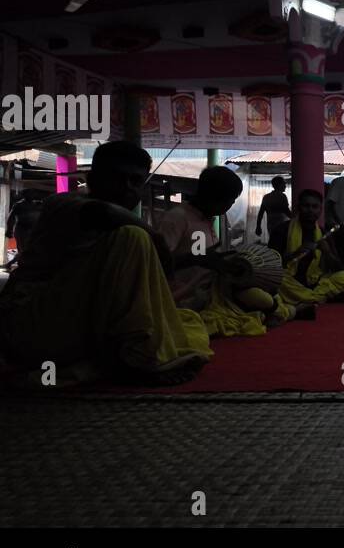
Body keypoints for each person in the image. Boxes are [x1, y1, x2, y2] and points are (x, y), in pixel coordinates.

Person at [0, 141, 212, 386]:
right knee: (133, 237)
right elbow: (104, 214)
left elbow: (154, 275)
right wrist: (155, 238)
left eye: (135, 181)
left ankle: (111, 355)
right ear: (92, 179)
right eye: (116, 178)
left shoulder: (123, 229)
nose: (127, 188)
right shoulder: (65, 204)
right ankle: (135, 357)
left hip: (80, 324)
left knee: (188, 324)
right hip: (29, 325)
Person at [159, 166, 296, 337]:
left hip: (211, 290)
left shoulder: (205, 220)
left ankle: (276, 311)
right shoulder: (177, 217)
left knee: (264, 289)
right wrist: (196, 260)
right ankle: (281, 312)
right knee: (251, 298)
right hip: (187, 296)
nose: (229, 207)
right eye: (229, 202)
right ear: (215, 198)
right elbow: (156, 263)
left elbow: (204, 258)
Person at [269, 189, 344, 304]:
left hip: (315, 283)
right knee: (277, 279)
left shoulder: (324, 234)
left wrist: (327, 252)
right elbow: (270, 265)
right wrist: (296, 253)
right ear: (298, 207)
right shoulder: (282, 230)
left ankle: (307, 299)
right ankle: (318, 298)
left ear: (320, 210)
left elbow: (337, 267)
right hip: (290, 281)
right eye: (306, 206)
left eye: (315, 207)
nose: (310, 210)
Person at [254, 176, 291, 241]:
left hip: (270, 225)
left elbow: (261, 213)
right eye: (284, 184)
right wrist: (296, 219)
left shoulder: (266, 197)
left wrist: (258, 226)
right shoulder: (282, 196)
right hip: (281, 225)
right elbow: (286, 211)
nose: (285, 186)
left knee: (273, 242)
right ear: (279, 185)